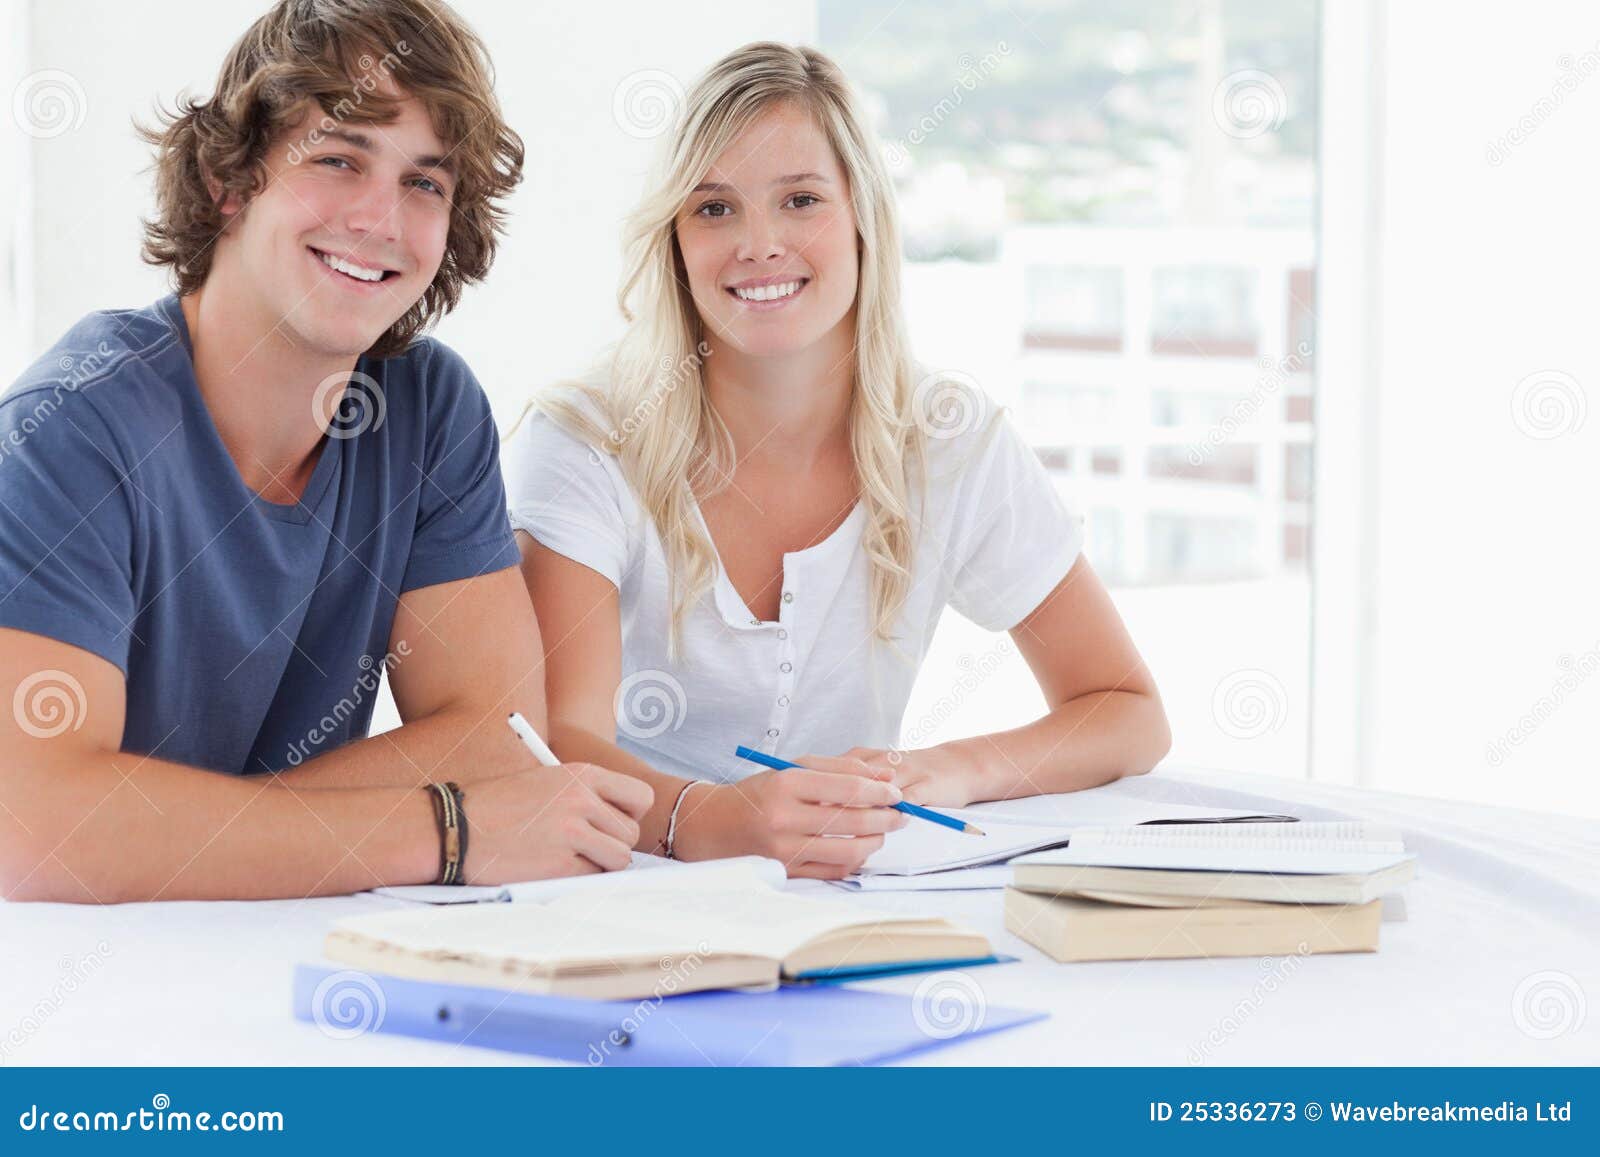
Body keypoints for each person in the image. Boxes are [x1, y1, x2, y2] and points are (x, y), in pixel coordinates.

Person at [0, 0, 650, 903]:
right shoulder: (65, 431)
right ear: (230, 180)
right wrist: (449, 829)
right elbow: (39, 830)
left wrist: (172, 832)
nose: (381, 220)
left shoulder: (427, 409)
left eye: (425, 183)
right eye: (339, 158)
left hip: (291, 944)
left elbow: (498, 739)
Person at [504, 42, 1171, 881]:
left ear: (863, 216)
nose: (759, 244)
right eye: (714, 208)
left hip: (840, 907)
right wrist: (711, 821)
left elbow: (1127, 711)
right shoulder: (587, 436)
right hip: (617, 890)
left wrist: (944, 770)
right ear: (675, 240)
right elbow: (559, 738)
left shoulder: (949, 438)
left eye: (800, 200)